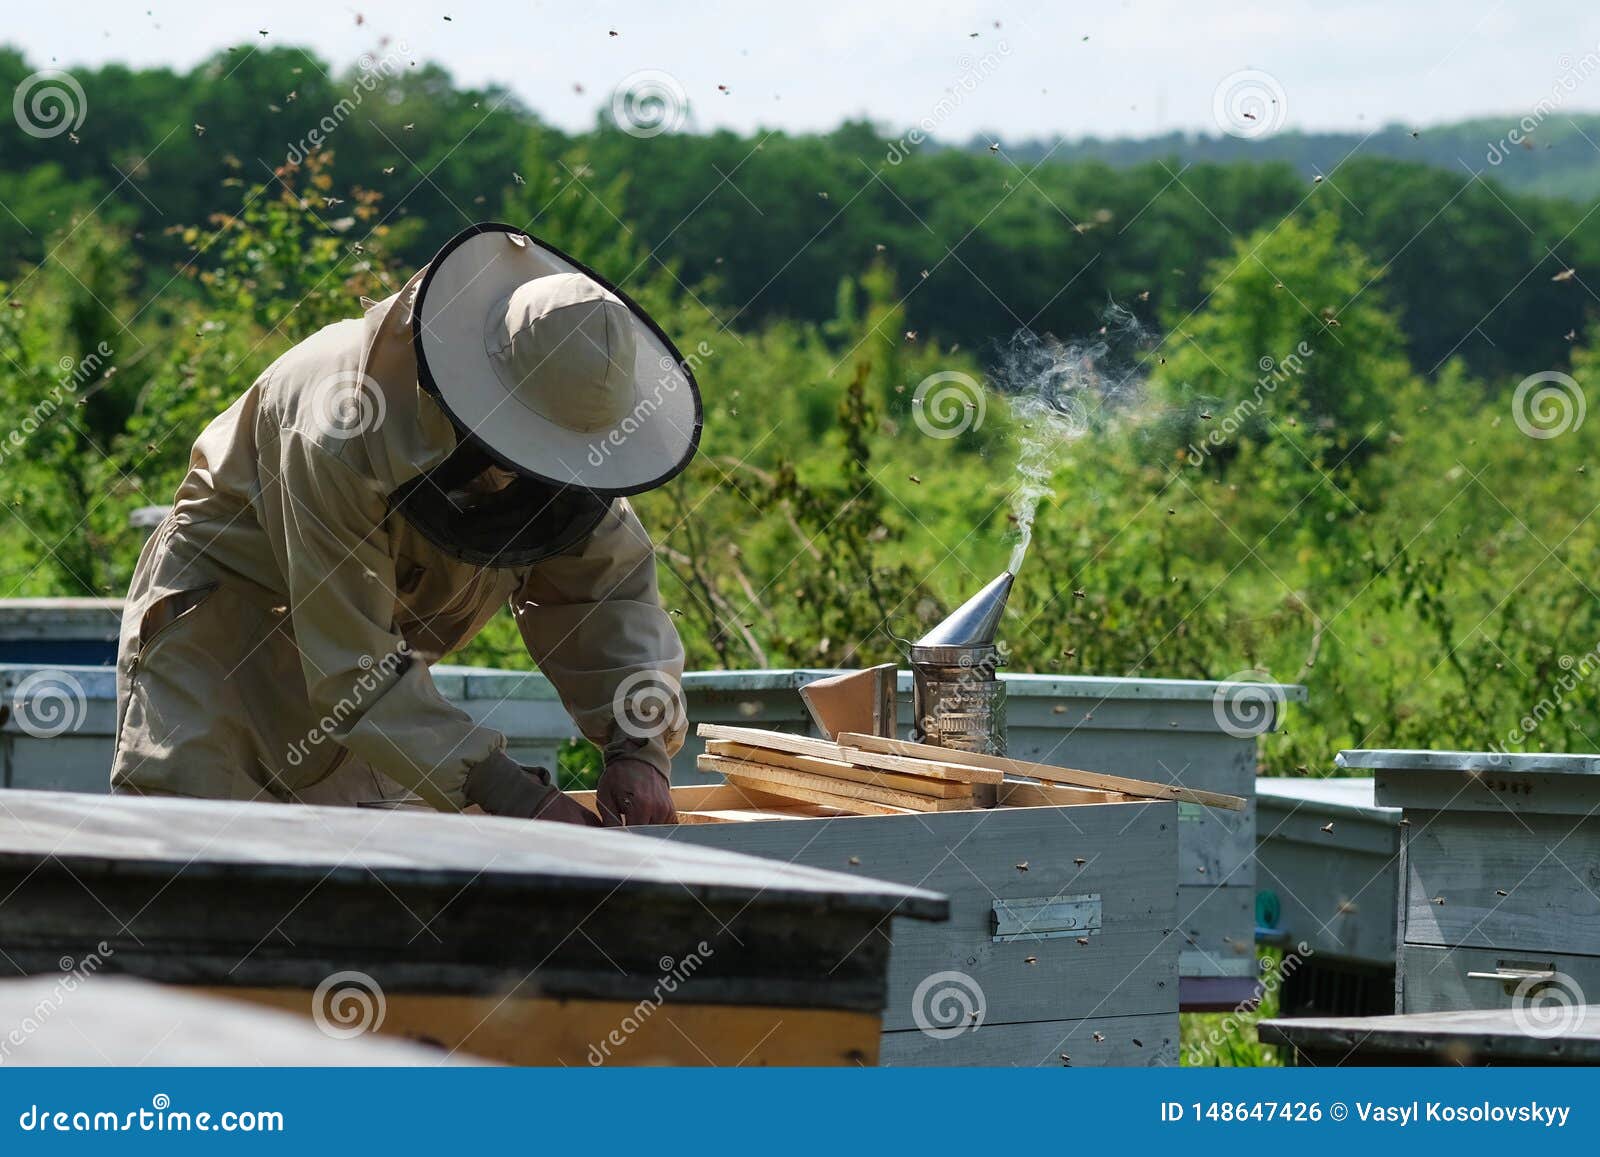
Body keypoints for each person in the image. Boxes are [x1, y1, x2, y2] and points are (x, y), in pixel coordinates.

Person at [110, 223, 702, 827]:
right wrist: (515, 795)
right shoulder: (338, 424)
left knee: (367, 869)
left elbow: (607, 593)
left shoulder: (570, 433)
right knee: (209, 863)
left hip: (378, 685)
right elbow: (351, 664)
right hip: (228, 654)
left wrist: (640, 748)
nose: (543, 467)